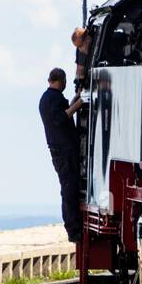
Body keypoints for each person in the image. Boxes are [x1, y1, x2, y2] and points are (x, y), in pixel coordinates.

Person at [39, 67, 84, 242]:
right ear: (62, 81)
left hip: (60, 150)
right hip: (63, 151)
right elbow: (60, 118)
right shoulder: (53, 98)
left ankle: (73, 227)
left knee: (68, 186)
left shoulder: (47, 98)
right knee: (69, 188)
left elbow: (63, 111)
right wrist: (78, 105)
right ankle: (73, 229)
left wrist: (75, 100)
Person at [72, 27, 93, 92]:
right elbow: (79, 70)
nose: (80, 49)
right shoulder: (80, 50)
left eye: (81, 46)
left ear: (87, 39)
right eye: (78, 47)